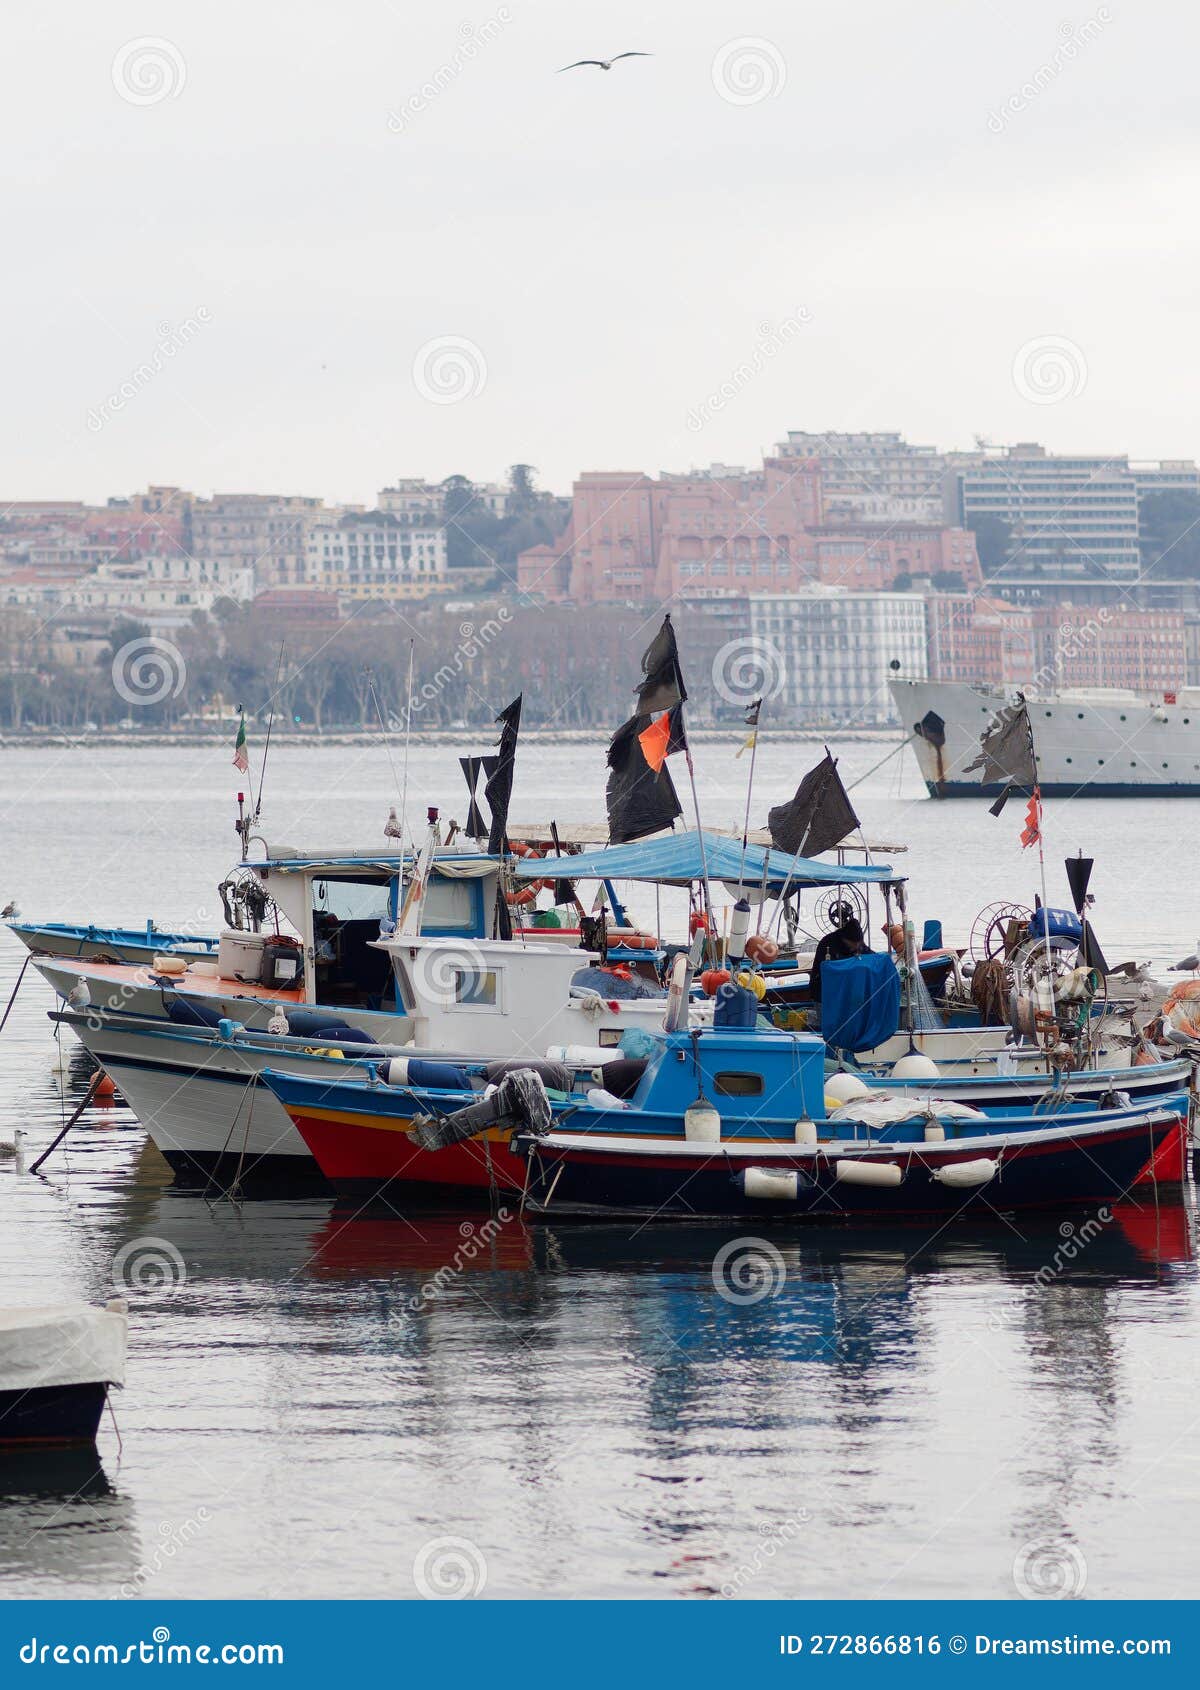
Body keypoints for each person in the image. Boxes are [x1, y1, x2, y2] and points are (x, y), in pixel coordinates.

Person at [808, 916, 869, 1004]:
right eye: (854, 943)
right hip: (824, 992)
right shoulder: (828, 943)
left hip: (847, 993)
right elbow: (833, 969)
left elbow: (869, 955)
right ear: (845, 938)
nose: (856, 946)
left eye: (859, 943)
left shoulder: (858, 944)